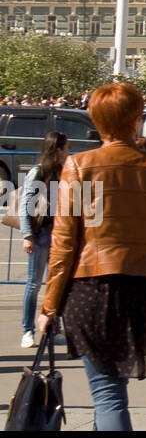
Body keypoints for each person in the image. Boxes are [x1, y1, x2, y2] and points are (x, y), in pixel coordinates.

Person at [38, 82, 146, 431]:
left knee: (107, 393)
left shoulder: (78, 166)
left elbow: (64, 244)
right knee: (113, 393)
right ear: (137, 119)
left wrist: (49, 307)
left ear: (96, 120)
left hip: (91, 287)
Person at [20, 132, 68, 347]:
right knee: (34, 284)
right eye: (66, 148)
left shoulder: (65, 171)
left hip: (59, 233)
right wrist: (27, 235)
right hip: (41, 234)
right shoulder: (38, 172)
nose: (68, 152)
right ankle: (27, 330)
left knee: (56, 282)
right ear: (58, 149)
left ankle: (54, 329)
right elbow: (25, 204)